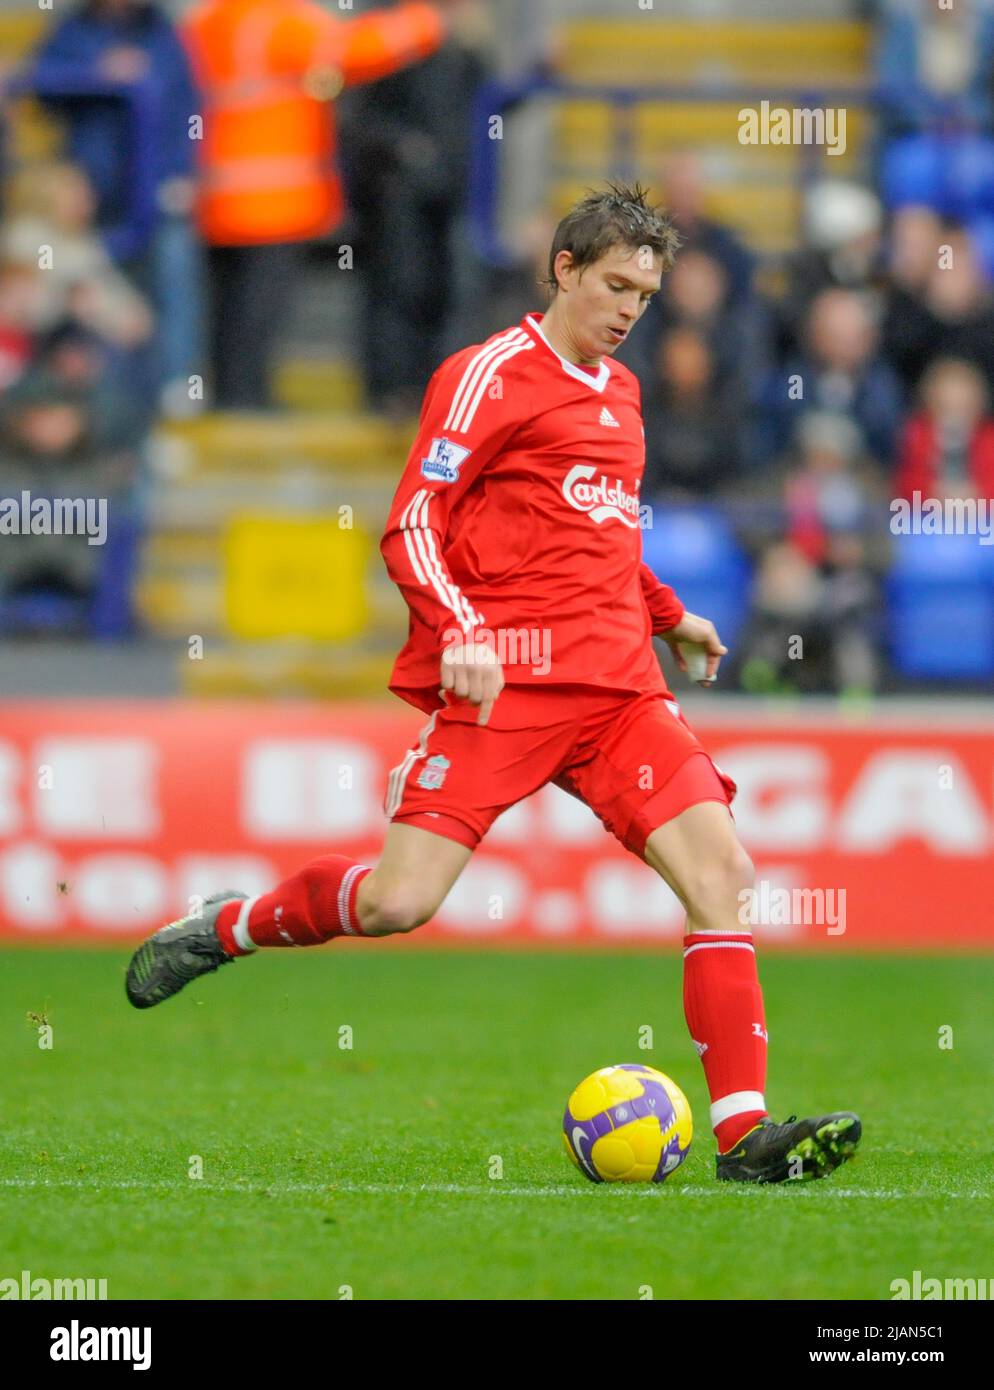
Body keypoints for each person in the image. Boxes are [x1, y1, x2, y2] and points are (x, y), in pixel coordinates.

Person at [124, 183, 861, 1186]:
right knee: (396, 903)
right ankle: (231, 925)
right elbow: (411, 523)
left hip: (618, 691)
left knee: (722, 877)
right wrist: (461, 629)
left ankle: (743, 1140)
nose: (628, 309)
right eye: (613, 285)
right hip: (504, 685)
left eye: (644, 294)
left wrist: (665, 609)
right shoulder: (487, 376)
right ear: (563, 269)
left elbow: (595, 528)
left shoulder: (623, 392)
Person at [180, 0, 457, 410]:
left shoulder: (208, 19)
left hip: (219, 192)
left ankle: (232, 396)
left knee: (229, 310)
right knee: (257, 311)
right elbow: (349, 51)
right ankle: (245, 401)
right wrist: (428, 20)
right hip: (272, 197)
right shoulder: (271, 19)